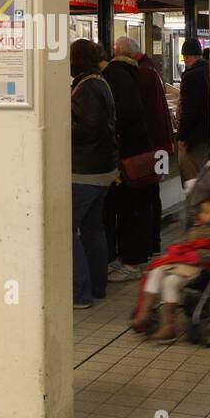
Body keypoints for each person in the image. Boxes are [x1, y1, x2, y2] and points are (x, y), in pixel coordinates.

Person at [130, 193, 210, 340]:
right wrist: (176, 248)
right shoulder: (197, 227)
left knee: (169, 281)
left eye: (206, 212)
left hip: (204, 269)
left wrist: (199, 255)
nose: (201, 215)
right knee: (156, 272)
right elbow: (183, 240)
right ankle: (144, 313)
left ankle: (168, 326)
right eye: (201, 211)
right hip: (184, 264)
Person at [70, 39, 117, 309]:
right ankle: (98, 286)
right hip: (102, 168)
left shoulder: (87, 87)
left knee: (66, 229)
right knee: (92, 229)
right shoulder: (100, 82)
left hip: (84, 171)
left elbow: (90, 129)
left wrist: (62, 128)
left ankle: (79, 291)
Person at [102, 36, 153, 281]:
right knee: (134, 206)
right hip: (139, 152)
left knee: (123, 208)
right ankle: (129, 257)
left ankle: (128, 260)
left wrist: (112, 127)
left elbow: (126, 111)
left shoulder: (116, 74)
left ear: (115, 52)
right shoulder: (140, 73)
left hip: (124, 156)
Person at [136, 45, 176, 259]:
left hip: (152, 147)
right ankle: (155, 238)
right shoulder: (151, 71)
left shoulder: (142, 74)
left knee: (150, 190)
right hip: (162, 145)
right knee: (155, 189)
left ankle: (152, 237)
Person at [176, 38, 210, 182]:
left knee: (191, 180)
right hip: (207, 136)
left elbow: (189, 111)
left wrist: (182, 137)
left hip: (193, 139)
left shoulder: (191, 76)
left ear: (186, 56)